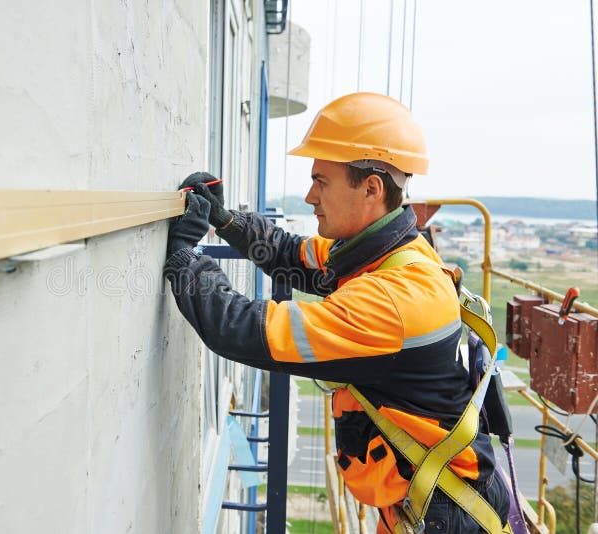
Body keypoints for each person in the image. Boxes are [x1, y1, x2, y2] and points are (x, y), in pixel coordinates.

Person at [164, 92, 510, 533]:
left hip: (443, 514)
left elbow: (246, 331)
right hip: (432, 498)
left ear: (371, 189)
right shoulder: (394, 252)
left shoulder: (394, 301)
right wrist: (227, 220)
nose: (310, 196)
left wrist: (184, 260)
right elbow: (292, 255)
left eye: (321, 182)